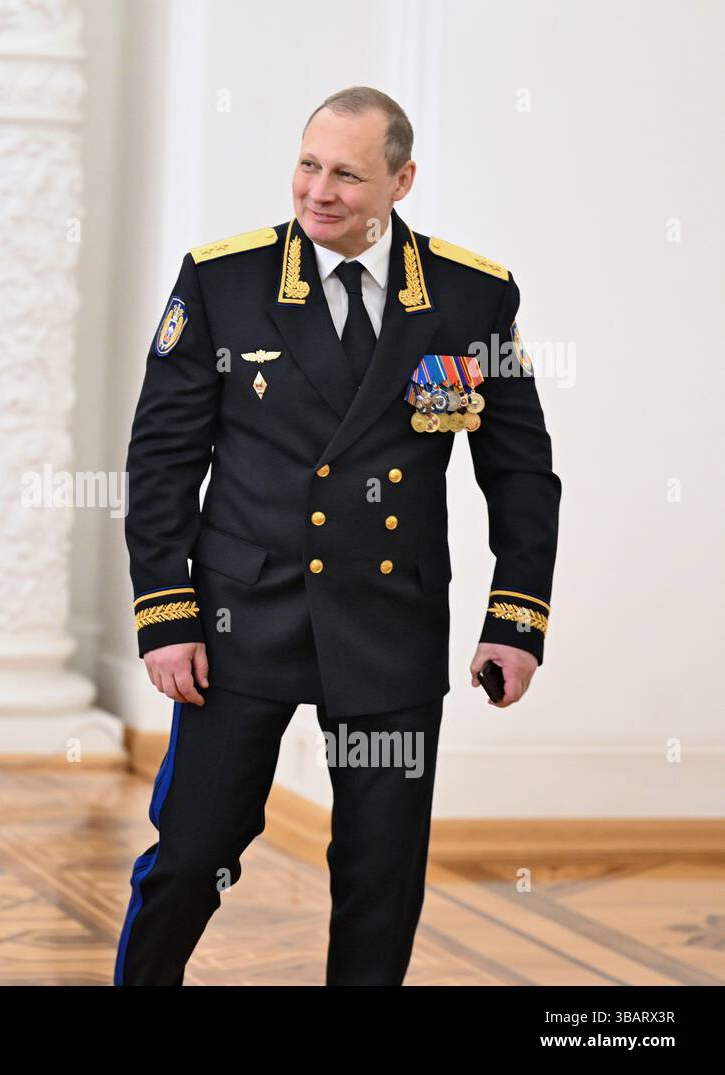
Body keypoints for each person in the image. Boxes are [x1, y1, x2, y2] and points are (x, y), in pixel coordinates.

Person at [115, 86, 561, 985]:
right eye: (309, 164)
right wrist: (167, 614)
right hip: (241, 621)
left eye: (348, 174)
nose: (320, 190)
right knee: (194, 850)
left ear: (401, 180)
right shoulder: (224, 279)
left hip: (388, 622)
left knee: (380, 870)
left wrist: (515, 620)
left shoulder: (473, 295)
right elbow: (161, 461)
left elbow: (519, 471)